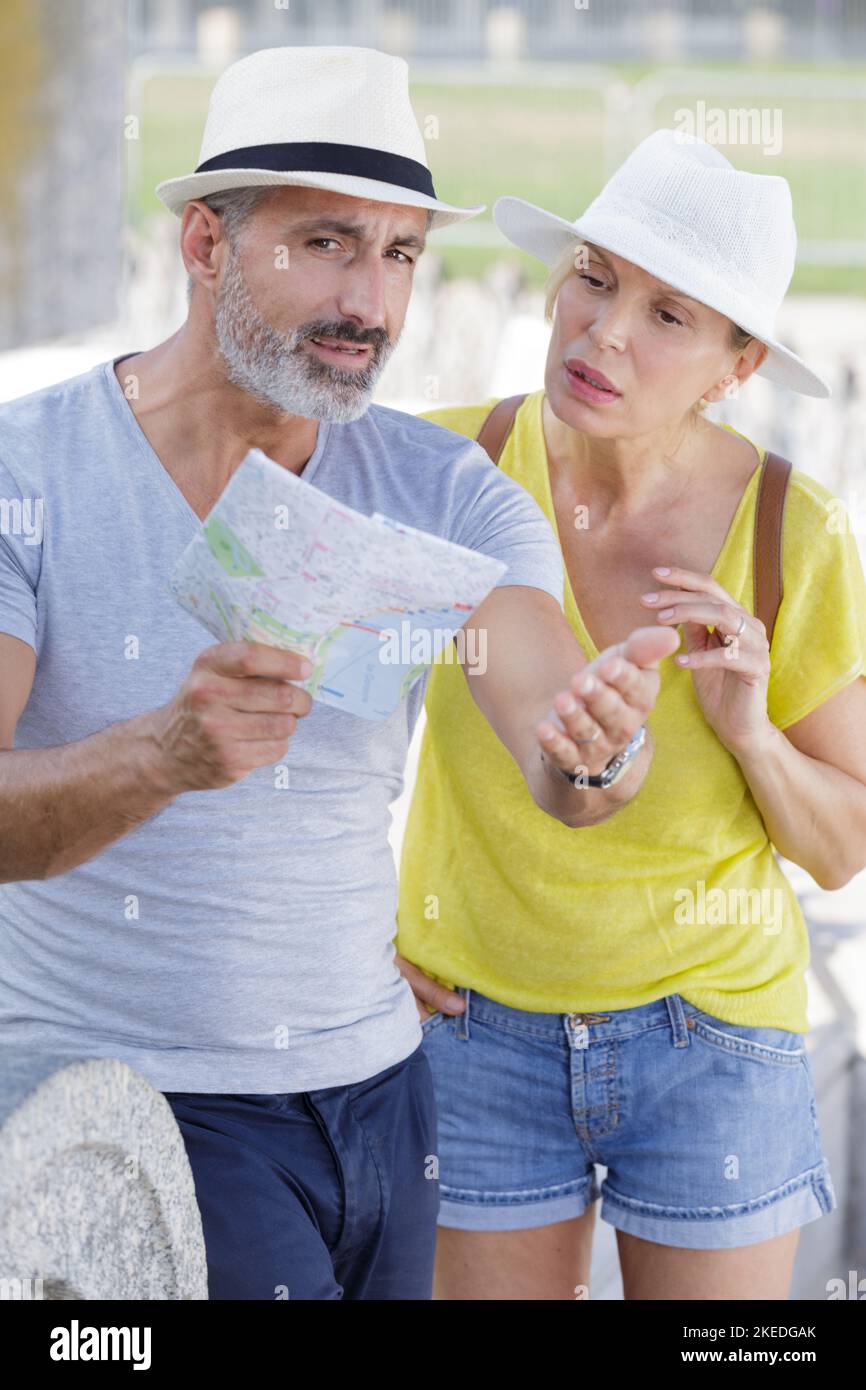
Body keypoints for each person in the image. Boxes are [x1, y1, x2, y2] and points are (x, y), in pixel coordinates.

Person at [0, 48, 677, 1301]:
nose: (371, 300)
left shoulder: (445, 496)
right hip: (139, 1108)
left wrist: (597, 747)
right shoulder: (26, 474)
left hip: (382, 1101)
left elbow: (556, 742)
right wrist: (163, 755)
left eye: (400, 253)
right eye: (323, 243)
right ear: (205, 244)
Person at [395, 129, 866, 1300]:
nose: (603, 330)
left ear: (735, 362)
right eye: (593, 278)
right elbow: (296, 728)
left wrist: (749, 728)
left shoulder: (786, 533)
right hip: (473, 1030)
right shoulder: (439, 468)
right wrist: (352, 932)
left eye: (667, 314)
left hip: (708, 1041)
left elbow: (840, 845)